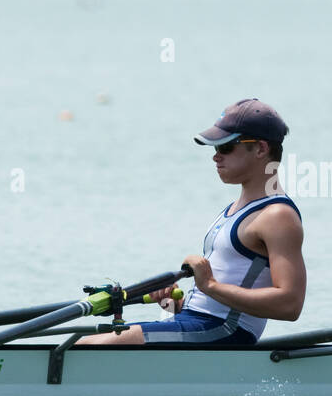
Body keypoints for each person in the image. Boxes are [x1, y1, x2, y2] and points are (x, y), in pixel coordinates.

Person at [80, 98, 306, 346]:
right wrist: (174, 304)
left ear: (261, 149)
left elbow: (290, 304)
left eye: (226, 147)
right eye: (215, 149)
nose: (216, 157)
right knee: (83, 341)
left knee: (92, 346)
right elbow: (217, 293)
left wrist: (209, 285)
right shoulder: (233, 210)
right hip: (199, 323)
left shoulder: (277, 216)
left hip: (226, 331)